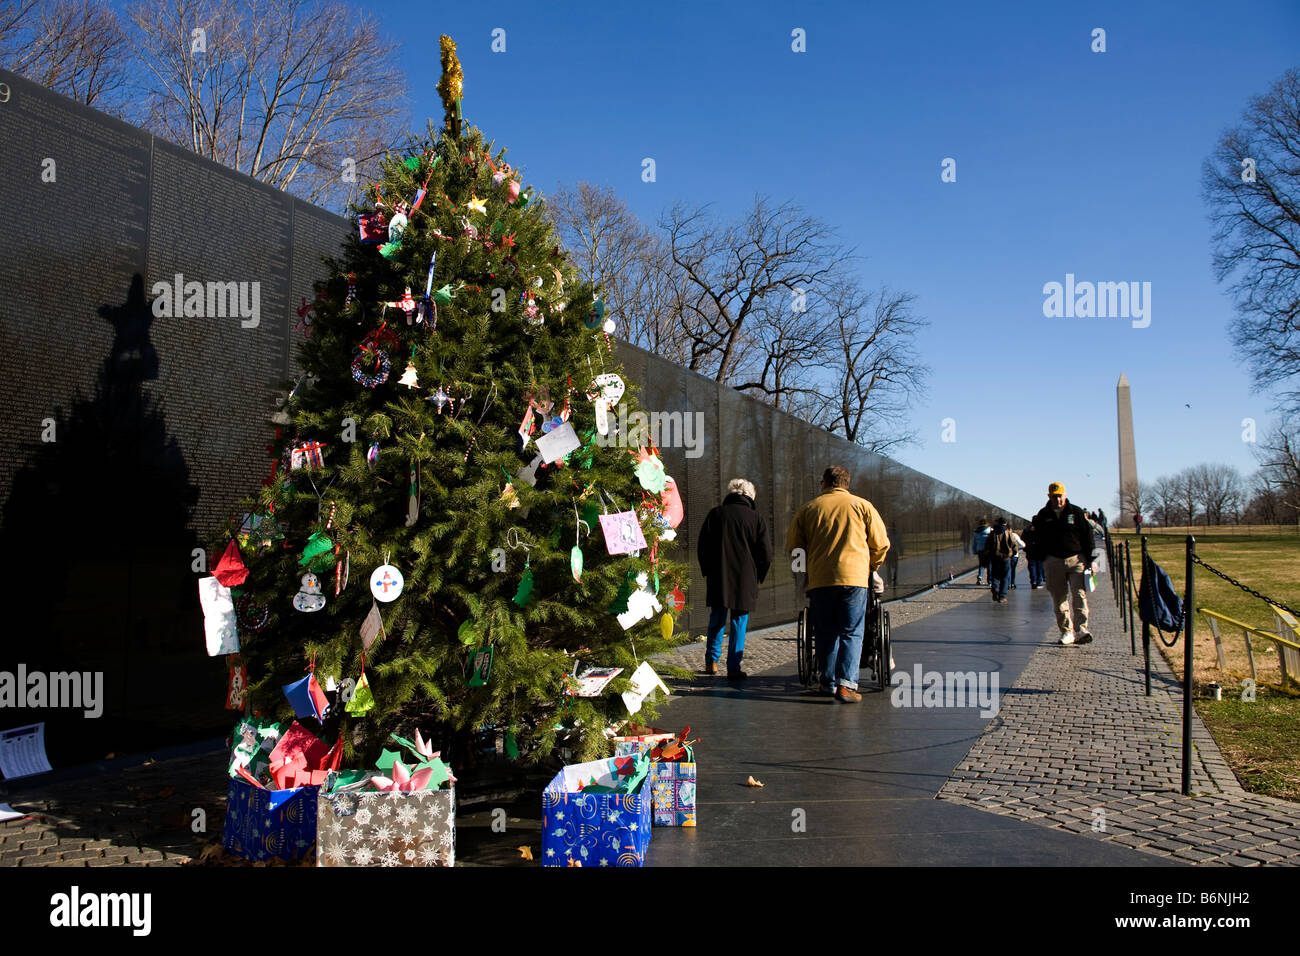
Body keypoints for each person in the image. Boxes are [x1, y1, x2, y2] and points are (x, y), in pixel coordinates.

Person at [786, 466, 891, 703]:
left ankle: (828, 681)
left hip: (820, 579)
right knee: (852, 631)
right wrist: (871, 566)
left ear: (824, 483)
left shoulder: (808, 509)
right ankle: (847, 685)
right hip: (854, 578)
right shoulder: (862, 506)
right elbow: (881, 543)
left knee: (825, 632)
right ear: (846, 483)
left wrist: (804, 572)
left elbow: (794, 547)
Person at [697, 478, 772, 679]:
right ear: (750, 496)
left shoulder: (716, 514)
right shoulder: (756, 518)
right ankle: (733, 667)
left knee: (717, 618)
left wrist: (707, 570)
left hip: (718, 575)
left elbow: (702, 546)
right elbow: (766, 552)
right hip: (745, 578)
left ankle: (711, 661)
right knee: (739, 621)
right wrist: (758, 575)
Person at [1032, 481, 1096, 645]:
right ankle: (1066, 631)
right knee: (1059, 599)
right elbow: (1037, 539)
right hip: (1053, 561)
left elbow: (1088, 537)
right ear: (1049, 497)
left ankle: (1082, 629)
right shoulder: (1043, 515)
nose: (1057, 500)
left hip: (1076, 560)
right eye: (1054, 497)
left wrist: (1092, 560)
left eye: (1059, 496)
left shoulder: (1076, 512)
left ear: (1065, 495)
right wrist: (1043, 558)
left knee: (1079, 595)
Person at [981, 516, 1015, 603]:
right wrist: (1013, 553)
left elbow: (987, 545)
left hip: (995, 557)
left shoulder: (993, 533)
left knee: (995, 575)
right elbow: (1013, 544)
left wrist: (987, 555)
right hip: (1006, 557)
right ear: (1005, 523)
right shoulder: (1008, 532)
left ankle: (995, 589)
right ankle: (1002, 596)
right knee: (1005, 576)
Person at [1022, 521, 1046, 588]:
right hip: (1039, 550)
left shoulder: (1026, 530)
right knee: (1039, 566)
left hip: (1030, 550)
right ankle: (1038, 582)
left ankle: (1033, 581)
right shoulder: (1041, 529)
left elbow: (1023, 540)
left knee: (1032, 566)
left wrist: (1027, 547)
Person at [970, 517, 993, 585]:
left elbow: (974, 543)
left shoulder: (976, 532)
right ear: (986, 523)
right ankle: (989, 581)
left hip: (980, 550)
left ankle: (980, 577)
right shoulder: (990, 530)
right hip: (988, 550)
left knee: (981, 564)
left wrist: (974, 551)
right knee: (989, 565)